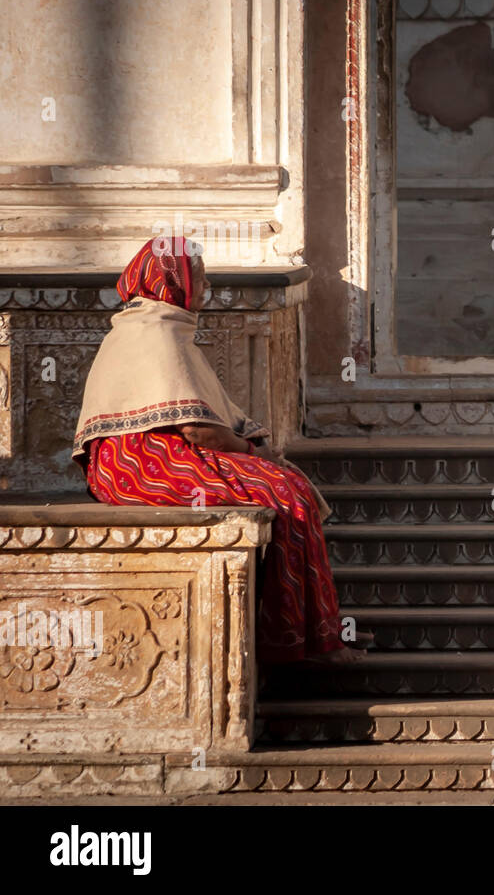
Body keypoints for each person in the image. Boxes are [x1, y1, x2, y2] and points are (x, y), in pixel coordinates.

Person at [71, 237, 368, 666]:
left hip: (134, 462)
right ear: (174, 282)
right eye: (199, 275)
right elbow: (196, 430)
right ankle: (301, 642)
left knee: (286, 487)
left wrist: (251, 453)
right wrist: (252, 451)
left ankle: (313, 628)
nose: (205, 284)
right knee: (285, 493)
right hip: (141, 465)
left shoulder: (144, 324)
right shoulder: (156, 333)